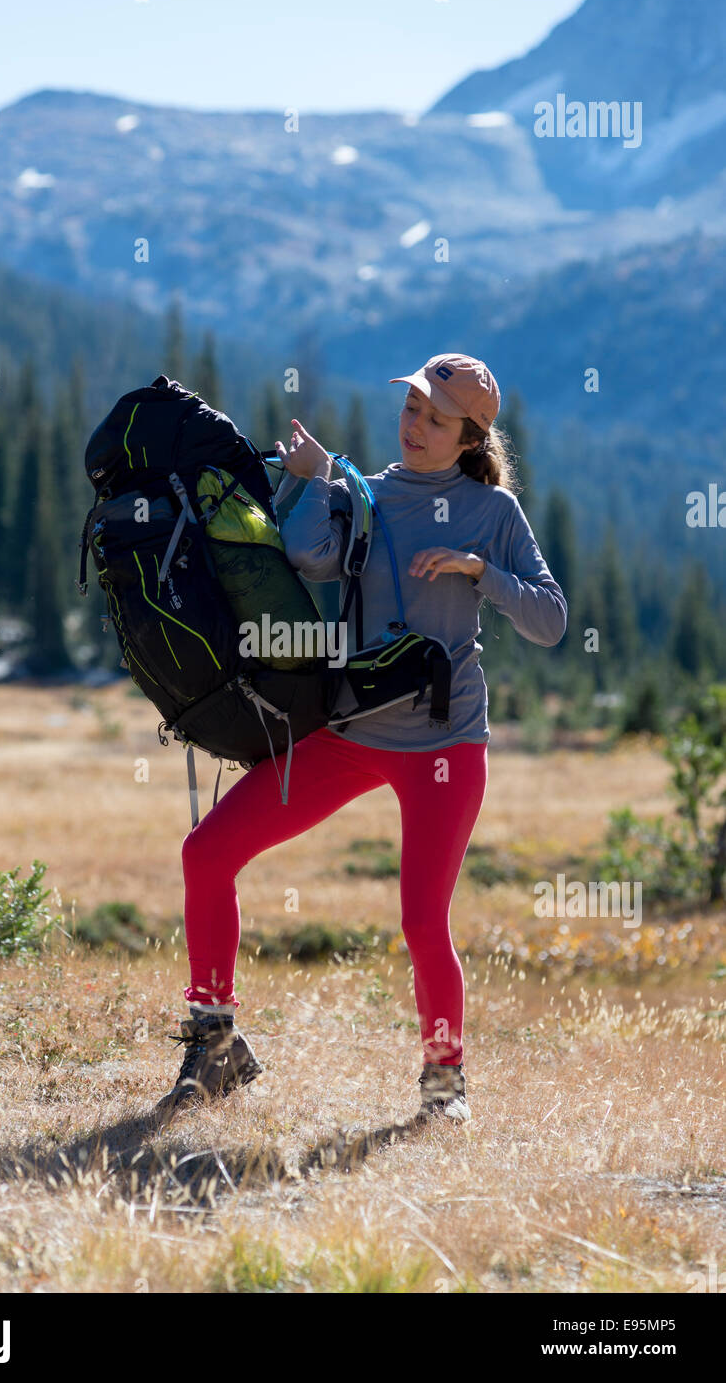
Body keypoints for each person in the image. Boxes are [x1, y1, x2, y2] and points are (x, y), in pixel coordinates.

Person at [157, 354, 567, 1124]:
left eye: (435, 419)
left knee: (420, 922)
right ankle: (213, 1045)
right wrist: (318, 480)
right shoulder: (365, 492)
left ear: (469, 437)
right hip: (349, 731)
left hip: (446, 745)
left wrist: (480, 570)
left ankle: (444, 1088)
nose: (414, 426)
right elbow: (307, 558)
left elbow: (550, 620)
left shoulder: (494, 514)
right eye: (411, 407)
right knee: (206, 853)